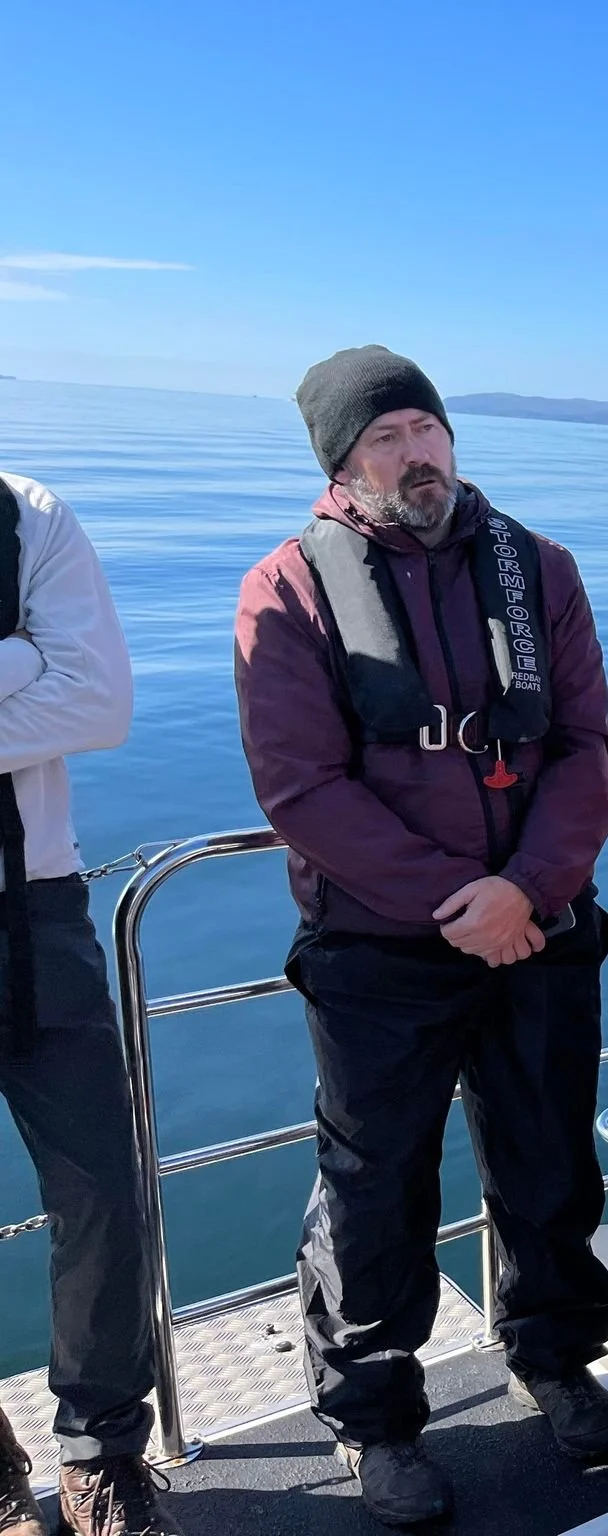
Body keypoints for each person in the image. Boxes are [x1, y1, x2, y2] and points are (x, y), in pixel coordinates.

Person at [235, 346, 608, 1527]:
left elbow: (587, 748)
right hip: (380, 950)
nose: (413, 455)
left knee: (551, 1162)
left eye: (424, 428)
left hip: (536, 929)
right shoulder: (288, 590)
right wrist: (461, 898)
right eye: (382, 440)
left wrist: (529, 887)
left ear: (452, 437)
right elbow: (300, 786)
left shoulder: (540, 570)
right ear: (342, 469)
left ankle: (554, 1358)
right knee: (375, 1190)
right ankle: (375, 1418)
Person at [1, 470, 181, 1536]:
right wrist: (20, 659)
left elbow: (101, 703)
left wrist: (47, 670)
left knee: (103, 1192)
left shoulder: (29, 517)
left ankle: (103, 1451)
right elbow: (57, 686)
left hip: (36, 903)